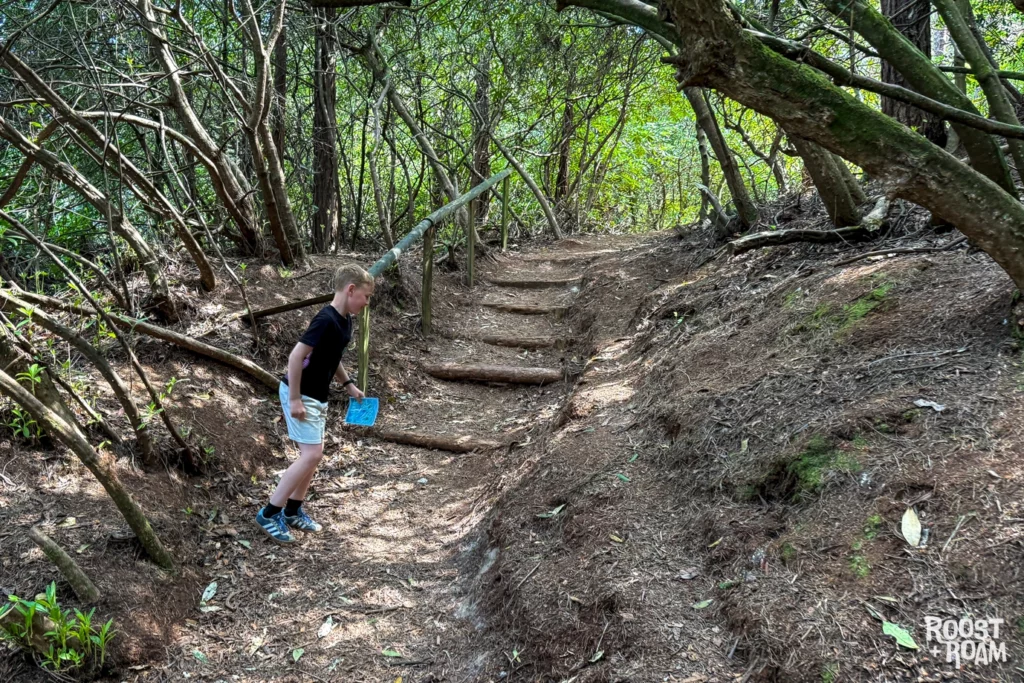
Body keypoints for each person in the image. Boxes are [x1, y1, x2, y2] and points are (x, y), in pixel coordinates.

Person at [256, 264, 374, 543]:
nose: (367, 303)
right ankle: (269, 513)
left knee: (314, 454)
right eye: (366, 296)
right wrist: (295, 398)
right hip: (301, 393)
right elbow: (296, 357)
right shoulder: (325, 319)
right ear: (351, 289)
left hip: (317, 394)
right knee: (311, 455)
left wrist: (348, 385)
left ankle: (293, 510)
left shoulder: (345, 321)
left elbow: (331, 357)